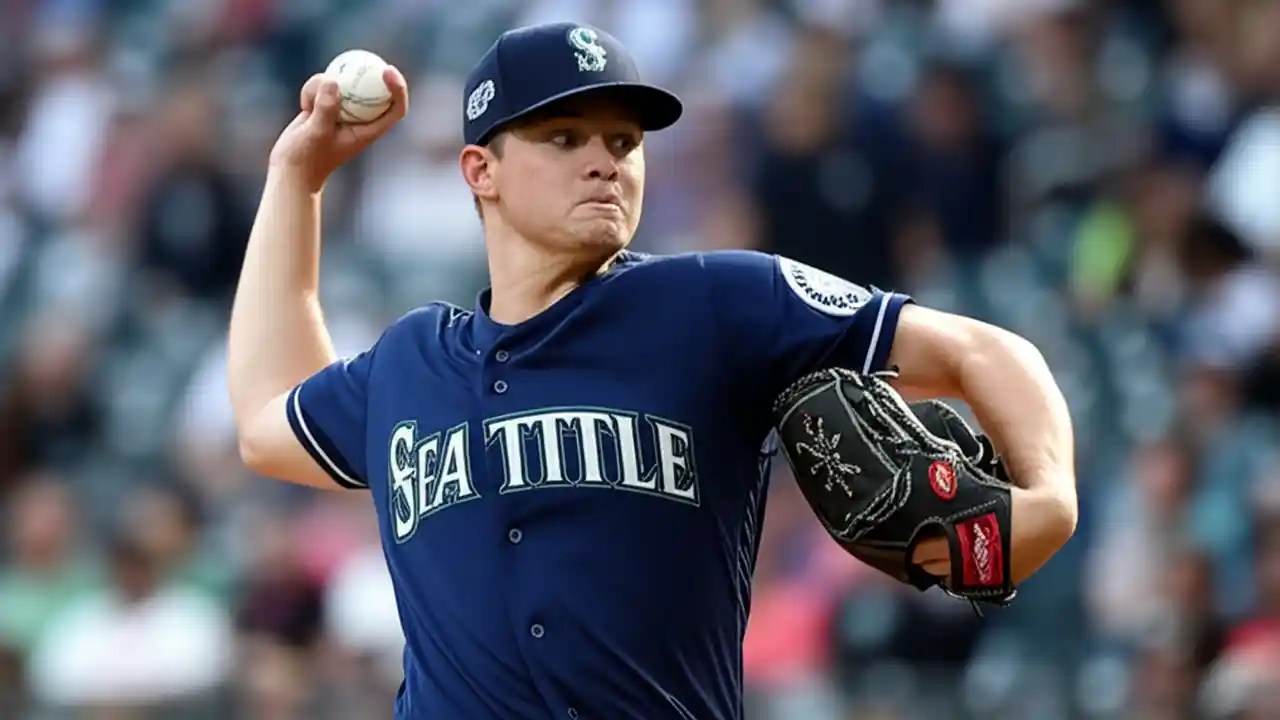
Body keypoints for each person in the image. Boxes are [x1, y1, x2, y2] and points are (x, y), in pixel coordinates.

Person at [228, 21, 1077, 720]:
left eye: (623, 140)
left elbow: (984, 353)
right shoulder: (412, 362)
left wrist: (1047, 502)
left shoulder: (713, 303)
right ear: (479, 170)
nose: (604, 160)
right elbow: (269, 419)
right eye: (564, 137)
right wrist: (296, 175)